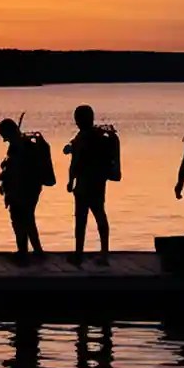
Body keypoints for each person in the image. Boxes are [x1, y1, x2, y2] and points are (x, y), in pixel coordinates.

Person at [65, 105, 112, 266]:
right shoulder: (96, 136)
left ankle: (82, 253)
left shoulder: (85, 138)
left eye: (77, 119)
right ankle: (102, 252)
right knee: (96, 216)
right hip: (95, 183)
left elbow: (76, 162)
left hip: (86, 184)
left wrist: (71, 180)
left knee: (83, 219)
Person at [0, 118, 45, 263]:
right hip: (27, 188)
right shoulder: (22, 145)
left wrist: (8, 180)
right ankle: (30, 250)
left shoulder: (21, 147)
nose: (4, 139)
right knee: (25, 219)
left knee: (22, 219)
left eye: (4, 135)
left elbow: (19, 169)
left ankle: (29, 251)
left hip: (23, 189)